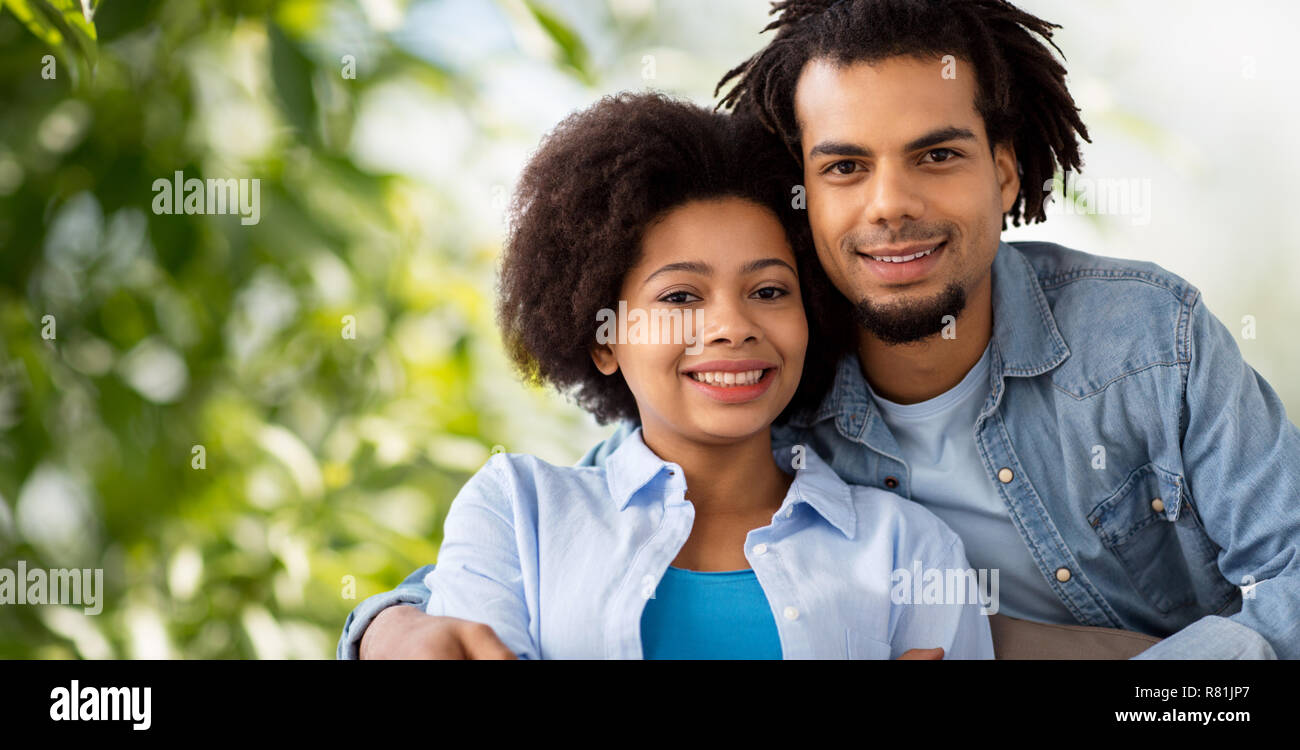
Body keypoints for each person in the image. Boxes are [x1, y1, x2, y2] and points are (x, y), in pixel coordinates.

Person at [343, 0, 1299, 660]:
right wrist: (389, 627)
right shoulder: (764, 384)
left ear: (1006, 173)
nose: (890, 206)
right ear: (800, 196)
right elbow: (553, 526)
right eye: (844, 167)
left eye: (936, 154)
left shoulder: (1144, 340)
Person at [369, 91, 994, 659]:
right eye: (679, 297)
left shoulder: (909, 549)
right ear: (604, 336)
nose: (732, 326)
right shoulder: (517, 511)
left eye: (771, 290)